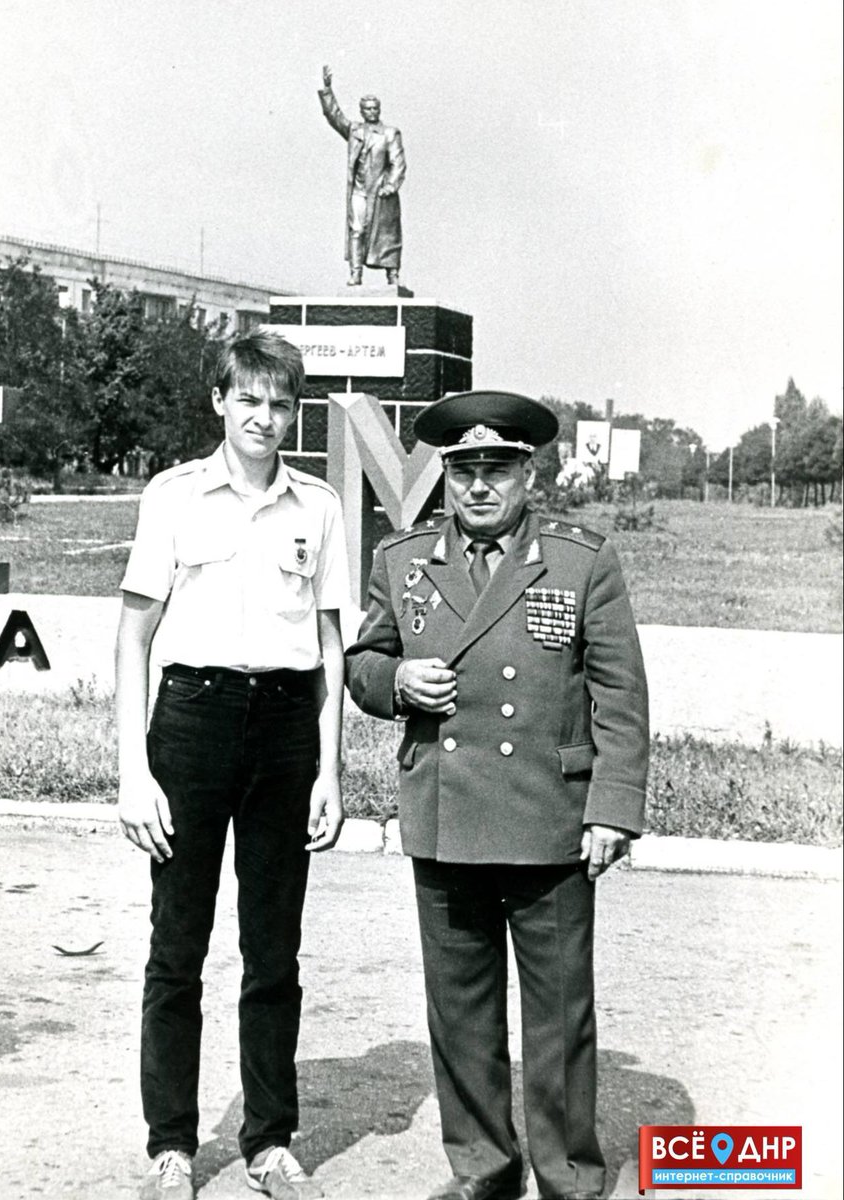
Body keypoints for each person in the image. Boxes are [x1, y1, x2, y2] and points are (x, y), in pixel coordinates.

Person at [345, 391, 649, 1200]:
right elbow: (362, 663)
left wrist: (612, 809)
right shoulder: (405, 560)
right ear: (446, 476)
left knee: (559, 1015)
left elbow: (620, 697)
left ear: (529, 475)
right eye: (464, 471)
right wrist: (396, 681)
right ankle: (483, 1167)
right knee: (460, 1012)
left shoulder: (581, 560)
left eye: (498, 470)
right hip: (447, 816)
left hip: (549, 818)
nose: (479, 487)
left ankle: (569, 1175)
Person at [115, 331, 348, 1200]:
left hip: (285, 730)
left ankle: (270, 1142)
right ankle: (171, 1148)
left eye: (281, 403)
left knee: (273, 951)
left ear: (295, 413)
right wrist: (134, 772)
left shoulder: (317, 506)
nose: (264, 417)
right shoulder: (174, 496)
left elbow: (330, 646)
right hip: (192, 723)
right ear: (219, 401)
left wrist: (330, 772)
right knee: (176, 947)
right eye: (248, 399)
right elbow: (134, 638)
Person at [318, 64, 406, 287]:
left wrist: (390, 186)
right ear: (362, 111)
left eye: (375, 108)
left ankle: (392, 275)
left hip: (380, 193)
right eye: (368, 109)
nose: (372, 112)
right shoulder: (355, 131)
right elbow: (334, 116)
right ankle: (356, 273)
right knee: (356, 231)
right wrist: (327, 89)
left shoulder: (389, 133)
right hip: (358, 191)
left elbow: (398, 163)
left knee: (387, 236)